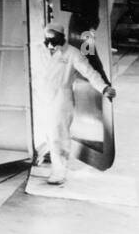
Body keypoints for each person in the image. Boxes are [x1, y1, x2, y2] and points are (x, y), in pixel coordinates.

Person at [36, 26, 117, 186]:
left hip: (61, 99)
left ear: (61, 37)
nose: (50, 44)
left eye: (53, 39)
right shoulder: (40, 50)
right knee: (47, 133)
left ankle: (59, 172)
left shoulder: (72, 53)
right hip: (42, 97)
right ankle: (49, 158)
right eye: (47, 39)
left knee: (59, 136)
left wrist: (104, 88)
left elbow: (89, 72)